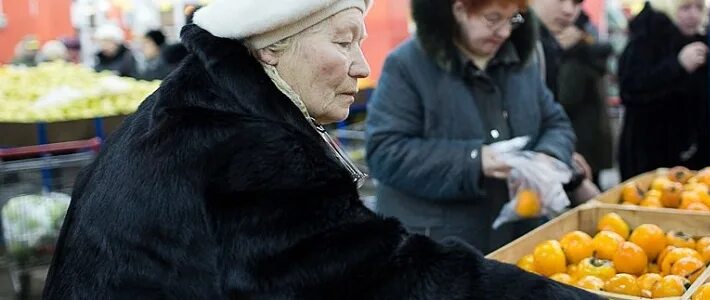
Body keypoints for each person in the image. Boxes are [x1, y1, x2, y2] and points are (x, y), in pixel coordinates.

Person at [43, 0, 598, 298]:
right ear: (270, 52)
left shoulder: (189, 110)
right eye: (343, 41)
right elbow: (386, 277)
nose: (362, 65)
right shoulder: (245, 152)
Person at [366, 0, 581, 254]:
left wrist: (548, 158)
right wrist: (475, 160)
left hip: (517, 240)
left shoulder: (521, 62)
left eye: (512, 19)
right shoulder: (407, 65)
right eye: (492, 18)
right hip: (439, 248)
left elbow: (556, 123)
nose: (504, 32)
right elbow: (385, 152)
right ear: (459, 10)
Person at [617, 0, 710, 179]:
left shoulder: (702, 41)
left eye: (699, 8)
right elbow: (632, 88)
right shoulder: (645, 40)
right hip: (650, 153)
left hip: (692, 154)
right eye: (685, 8)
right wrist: (678, 66)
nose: (694, 15)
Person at [531, 0, 614, 185]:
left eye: (577, 3)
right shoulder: (518, 42)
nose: (568, 10)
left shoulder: (565, 43)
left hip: (567, 152)